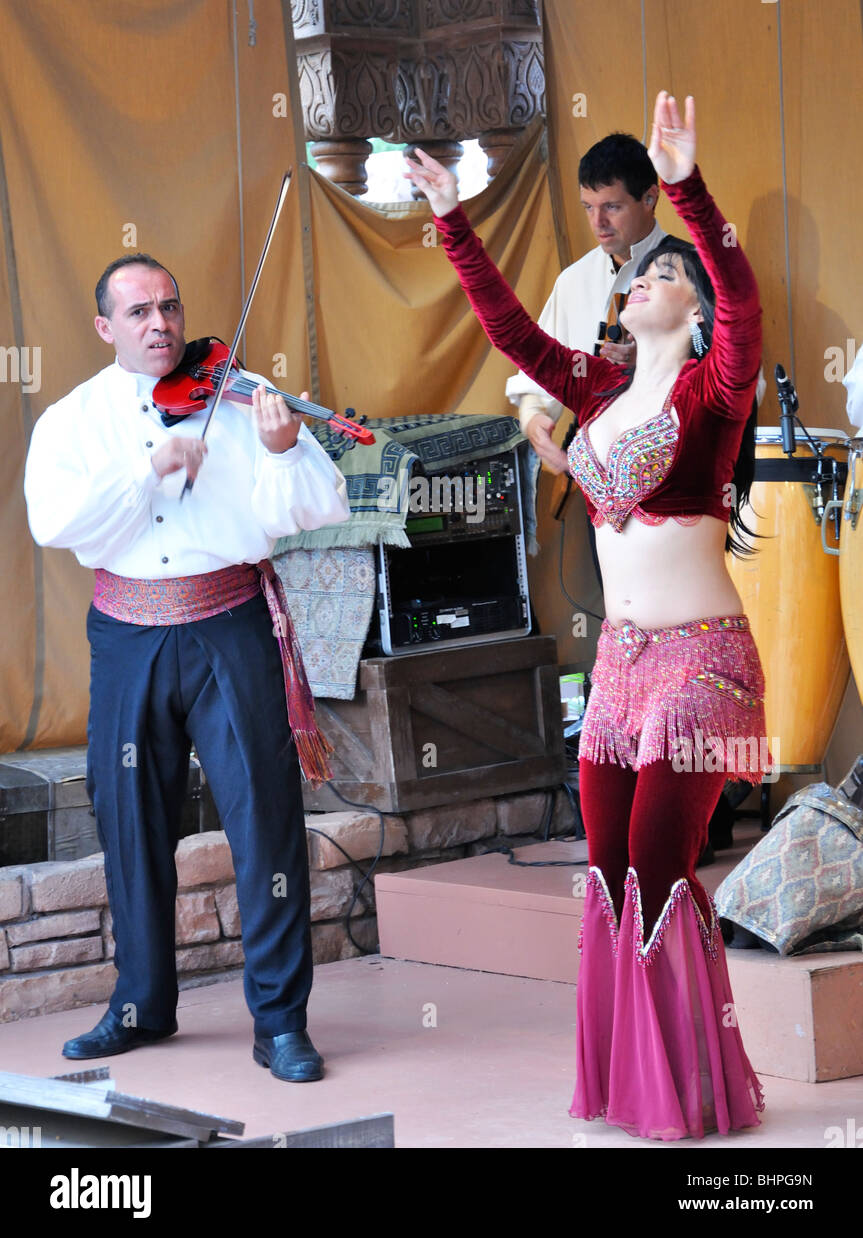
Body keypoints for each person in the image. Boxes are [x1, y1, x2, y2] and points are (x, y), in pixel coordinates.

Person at [406, 91, 767, 1140]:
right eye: (635, 275)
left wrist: (689, 187)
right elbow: (510, 329)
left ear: (690, 307)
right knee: (604, 876)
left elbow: (739, 294)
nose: (637, 279)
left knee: (658, 871)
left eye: (657, 271)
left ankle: (688, 1096)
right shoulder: (598, 390)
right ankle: (625, 1083)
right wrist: (452, 220)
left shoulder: (713, 390)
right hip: (618, 665)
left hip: (702, 664)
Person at [24, 253, 350, 1083]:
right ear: (105, 328)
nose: (160, 324)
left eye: (169, 306)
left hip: (229, 624)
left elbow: (317, 507)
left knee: (263, 821)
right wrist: (150, 466)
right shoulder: (71, 420)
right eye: (138, 313)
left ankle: (279, 1023)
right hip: (127, 633)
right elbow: (53, 521)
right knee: (129, 822)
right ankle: (141, 1007)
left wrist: (281, 450)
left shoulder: (239, 400)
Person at [506, 132, 665, 475]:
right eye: (588, 207)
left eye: (612, 207)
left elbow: (740, 383)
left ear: (650, 197)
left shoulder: (691, 272)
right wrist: (533, 420)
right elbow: (536, 381)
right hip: (598, 480)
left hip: (679, 478)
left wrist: (653, 359)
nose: (598, 223)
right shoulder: (573, 282)